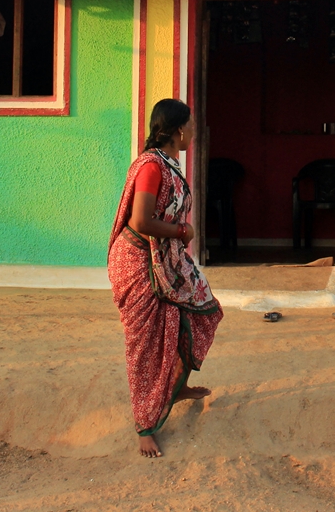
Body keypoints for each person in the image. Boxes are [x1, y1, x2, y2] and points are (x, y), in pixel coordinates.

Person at [108, 98, 224, 458]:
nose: (193, 131)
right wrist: (181, 232)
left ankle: (178, 384)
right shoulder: (151, 168)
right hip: (139, 262)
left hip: (166, 261)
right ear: (178, 131)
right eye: (190, 125)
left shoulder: (167, 164)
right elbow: (141, 222)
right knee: (145, 347)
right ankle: (145, 426)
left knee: (203, 312)